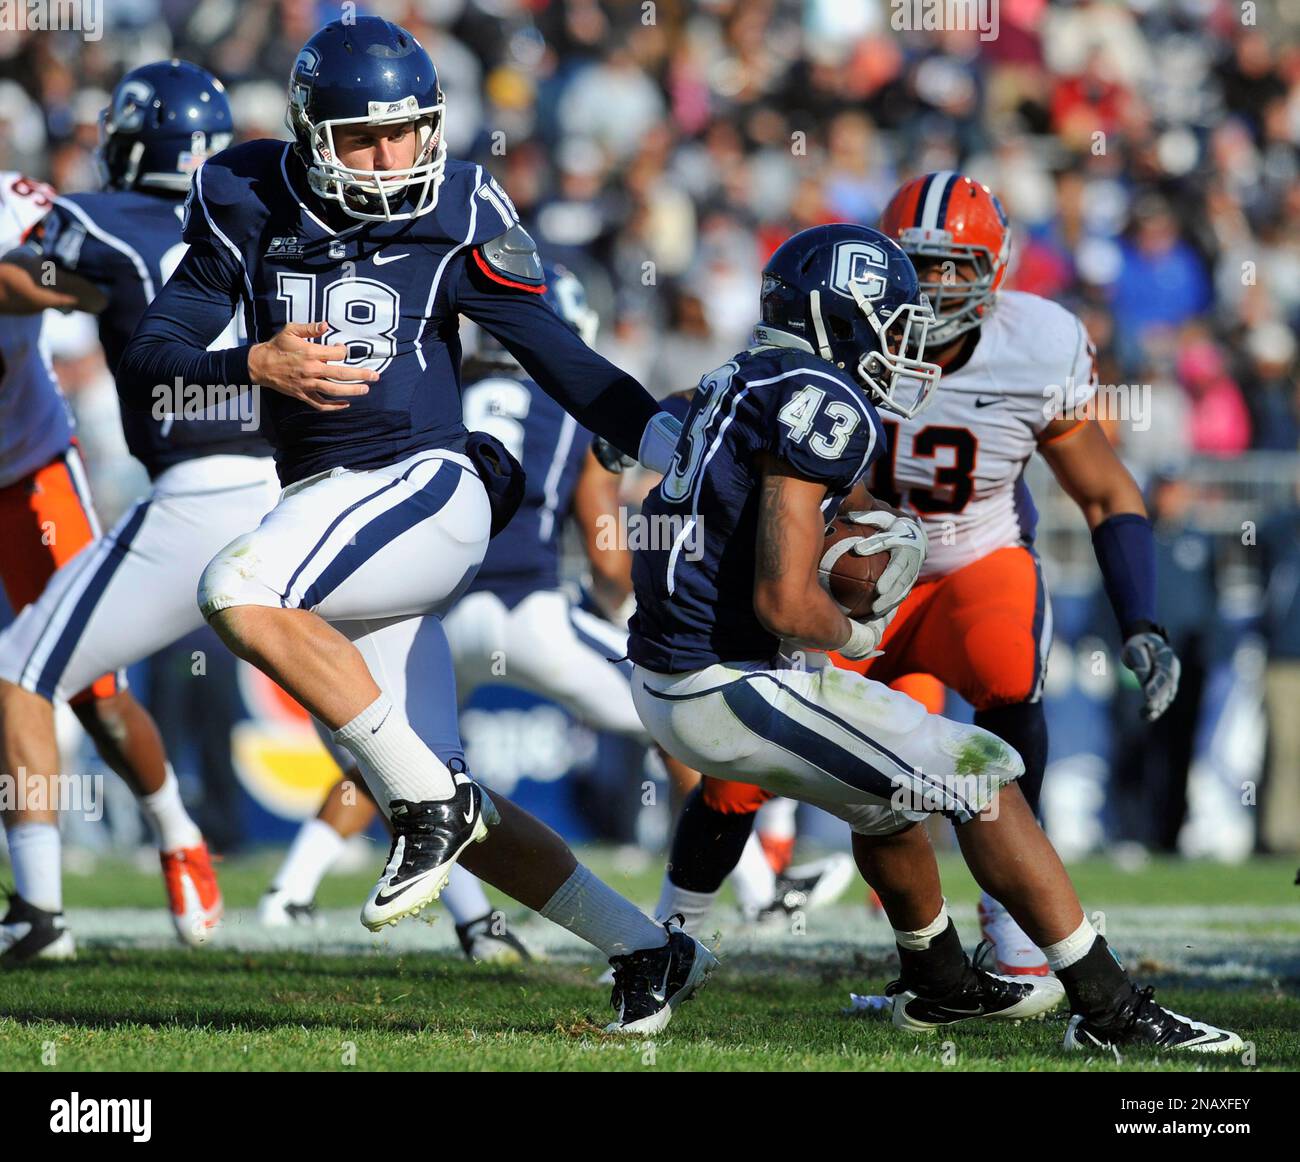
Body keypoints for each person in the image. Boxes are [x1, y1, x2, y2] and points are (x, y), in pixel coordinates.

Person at [118, 17, 709, 1034]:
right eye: (364, 137)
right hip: (322, 502)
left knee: (234, 590)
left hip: (427, 481)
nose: (392, 157)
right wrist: (247, 365)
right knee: (426, 777)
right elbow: (153, 349)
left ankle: (433, 811)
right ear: (308, 133)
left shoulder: (458, 206)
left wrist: (660, 435)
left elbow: (553, 353)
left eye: (408, 131)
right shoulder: (245, 193)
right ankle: (645, 949)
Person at [629, 220, 1241, 1052]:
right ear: (840, 319)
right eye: (890, 316)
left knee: (889, 803)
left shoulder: (751, 374)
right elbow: (783, 600)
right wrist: (858, 622)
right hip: (734, 681)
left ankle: (940, 982)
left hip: (678, 674)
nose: (905, 339)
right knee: (981, 776)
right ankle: (1111, 1012)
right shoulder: (826, 400)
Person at [259, 267, 847, 957]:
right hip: (529, 614)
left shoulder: (437, 385)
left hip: (433, 606)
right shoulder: (574, 401)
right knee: (681, 719)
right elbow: (600, 536)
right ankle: (756, 890)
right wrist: (638, 598)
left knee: (404, 760)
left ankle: (307, 891)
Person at [0, 63, 264, 959]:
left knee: (57, 682)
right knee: (378, 717)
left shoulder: (57, 211)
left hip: (46, 473)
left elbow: (32, 278)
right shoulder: (242, 219)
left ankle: (127, 856)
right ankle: (479, 909)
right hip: (281, 484)